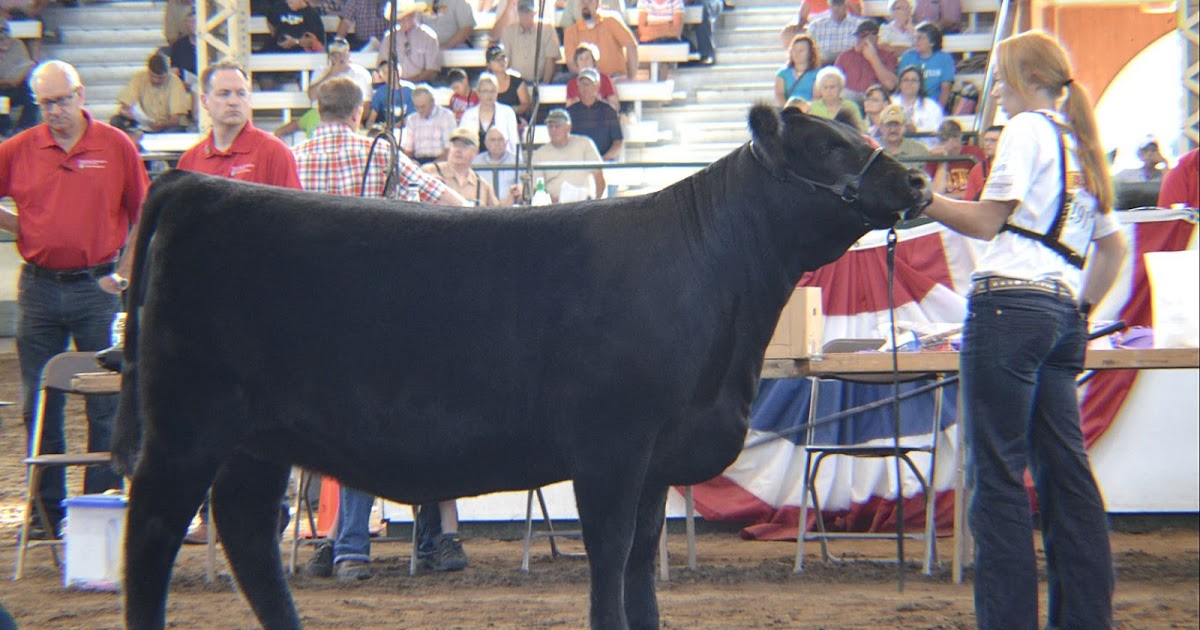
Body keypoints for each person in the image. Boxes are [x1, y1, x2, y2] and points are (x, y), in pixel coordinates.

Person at [920, 30, 1127, 630]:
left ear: (1029, 80)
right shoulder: (1080, 142)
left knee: (999, 477)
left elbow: (986, 223)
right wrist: (1078, 315)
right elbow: (1111, 253)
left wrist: (920, 198)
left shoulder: (1027, 130)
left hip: (1008, 308)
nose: (999, 94)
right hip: (1060, 313)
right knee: (1068, 476)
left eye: (1004, 81)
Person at [293, 77, 469, 580]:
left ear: (317, 109)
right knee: (390, 418)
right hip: (379, 312)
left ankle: (340, 543)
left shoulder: (295, 158)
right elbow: (454, 206)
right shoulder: (382, 153)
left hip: (313, 320)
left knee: (340, 427)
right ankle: (360, 544)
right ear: (360, 111)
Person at [0, 60, 148, 540]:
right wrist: (27, 229)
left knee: (105, 402)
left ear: (81, 95)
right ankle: (45, 515)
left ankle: (98, 509)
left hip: (97, 286)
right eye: (45, 103)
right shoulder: (20, 149)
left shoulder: (115, 145)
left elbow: (143, 213)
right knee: (39, 401)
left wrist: (123, 275)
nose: (55, 111)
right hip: (39, 287)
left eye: (62, 100)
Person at [176, 59, 302, 543]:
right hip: (210, 311)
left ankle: (274, 508)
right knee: (214, 408)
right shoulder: (191, 162)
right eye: (224, 93)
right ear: (204, 101)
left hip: (261, 308)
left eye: (241, 93)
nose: (234, 101)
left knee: (268, 407)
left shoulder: (271, 153)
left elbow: (293, 229)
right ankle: (214, 510)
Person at [532, 107, 604, 201]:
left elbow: (598, 175)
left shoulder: (584, 143)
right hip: (555, 207)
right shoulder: (539, 154)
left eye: (557, 126)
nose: (553, 130)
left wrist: (597, 202)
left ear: (568, 127)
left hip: (585, 203)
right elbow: (537, 188)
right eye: (550, 126)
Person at [422, 126, 503, 206]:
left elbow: (497, 215)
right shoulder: (428, 172)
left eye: (464, 146)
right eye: (455, 145)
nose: (458, 150)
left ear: (476, 152)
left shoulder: (483, 185)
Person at [112, 52, 191, 133]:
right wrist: (130, 114)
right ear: (148, 71)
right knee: (117, 121)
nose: (156, 80)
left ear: (167, 73)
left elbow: (176, 119)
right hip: (144, 124)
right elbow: (125, 107)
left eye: (160, 78)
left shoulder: (175, 82)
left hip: (167, 126)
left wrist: (163, 124)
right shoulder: (140, 78)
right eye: (153, 76)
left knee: (176, 130)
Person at [562, 0, 638, 80]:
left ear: (597, 4)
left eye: (590, 2)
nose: (585, 5)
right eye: (582, 2)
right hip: (587, 81)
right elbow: (571, 64)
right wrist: (589, 79)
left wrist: (630, 77)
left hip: (614, 78)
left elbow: (631, 46)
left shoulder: (611, 21)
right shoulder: (571, 32)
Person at [377, 0, 441, 83]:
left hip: (421, 85)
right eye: (400, 17)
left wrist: (408, 83)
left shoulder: (428, 36)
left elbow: (432, 70)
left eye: (407, 15)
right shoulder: (389, 37)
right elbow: (382, 63)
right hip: (394, 86)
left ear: (413, 14)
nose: (403, 20)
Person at [499, 0, 560, 86]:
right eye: (522, 11)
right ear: (518, 12)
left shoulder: (547, 30)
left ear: (535, 12)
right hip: (515, 83)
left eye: (528, 11)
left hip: (540, 81)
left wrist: (545, 83)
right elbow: (506, 60)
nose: (525, 15)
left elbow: (551, 59)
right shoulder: (508, 32)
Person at [566, 67, 621, 160]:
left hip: (605, 162)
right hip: (577, 163)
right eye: (582, 84)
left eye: (589, 84)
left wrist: (603, 160)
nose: (585, 87)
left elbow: (617, 142)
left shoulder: (609, 111)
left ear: (597, 86)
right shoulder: (570, 113)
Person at [897, 21, 954, 110]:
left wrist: (937, 110)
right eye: (916, 38)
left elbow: (945, 89)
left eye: (921, 38)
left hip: (934, 104)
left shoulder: (944, 58)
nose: (917, 41)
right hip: (909, 104)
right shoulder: (908, 57)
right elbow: (901, 84)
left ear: (932, 42)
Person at [835, 19, 898, 98]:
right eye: (859, 36)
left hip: (875, 98)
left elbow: (890, 84)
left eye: (864, 36)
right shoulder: (844, 56)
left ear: (875, 37)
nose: (860, 40)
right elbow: (834, 83)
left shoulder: (887, 56)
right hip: (850, 99)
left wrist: (873, 58)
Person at [460, 72, 520, 153]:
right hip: (475, 162)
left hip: (502, 163)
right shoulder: (468, 115)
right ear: (478, 92)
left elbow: (514, 142)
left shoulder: (507, 112)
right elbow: (463, 143)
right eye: (485, 91)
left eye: (493, 91)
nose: (489, 95)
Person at [0, 17, 39, 137]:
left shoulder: (17, 45)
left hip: (15, 85)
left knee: (33, 94)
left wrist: (15, 80)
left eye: (4, 30)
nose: (3, 35)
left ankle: (25, 127)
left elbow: (25, 67)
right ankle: (4, 129)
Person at [927, 118, 984, 198]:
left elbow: (979, 191)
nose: (942, 145)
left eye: (945, 140)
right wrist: (942, 163)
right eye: (941, 140)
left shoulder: (973, 153)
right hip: (944, 206)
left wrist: (949, 198)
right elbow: (936, 193)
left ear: (958, 138)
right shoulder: (933, 158)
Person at [401, 83, 456, 163]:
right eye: (417, 107)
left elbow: (449, 150)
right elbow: (409, 150)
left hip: (440, 161)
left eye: (423, 106)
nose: (420, 110)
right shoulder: (412, 119)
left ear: (432, 102)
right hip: (418, 162)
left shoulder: (446, 116)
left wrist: (431, 166)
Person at [308, 37, 374, 103]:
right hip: (322, 112)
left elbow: (366, 104)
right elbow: (312, 96)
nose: (339, 58)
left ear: (348, 55)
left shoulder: (360, 73)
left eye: (342, 54)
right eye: (335, 55)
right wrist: (332, 74)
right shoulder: (321, 71)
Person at [890, 64, 941, 145]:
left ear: (920, 84)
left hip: (924, 151)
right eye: (905, 80)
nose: (909, 83)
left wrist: (916, 131)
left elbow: (936, 136)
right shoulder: (890, 103)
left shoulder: (932, 107)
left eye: (914, 80)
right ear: (899, 83)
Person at [472, 125, 521, 204]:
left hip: (510, 208)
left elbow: (522, 190)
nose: (497, 143)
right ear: (486, 143)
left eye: (501, 140)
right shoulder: (476, 162)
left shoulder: (517, 161)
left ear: (506, 143)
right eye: (493, 140)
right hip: (483, 207)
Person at [804, 0, 861, 66]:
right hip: (822, 66)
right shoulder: (816, 26)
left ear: (846, 5)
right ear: (829, 5)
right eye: (834, 4)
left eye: (839, 4)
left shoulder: (858, 26)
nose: (836, 7)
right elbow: (807, 49)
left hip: (850, 65)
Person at [565, 43, 619, 111]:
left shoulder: (605, 79)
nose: (584, 62)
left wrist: (601, 102)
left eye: (587, 58)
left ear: (594, 61)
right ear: (577, 63)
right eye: (580, 59)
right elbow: (569, 110)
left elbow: (615, 106)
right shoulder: (572, 84)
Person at [808, 66, 863, 131]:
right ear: (820, 89)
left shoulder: (851, 107)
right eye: (825, 87)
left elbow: (859, 131)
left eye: (832, 87)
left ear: (840, 87)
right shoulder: (812, 108)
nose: (828, 91)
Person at [779, 0, 862, 44]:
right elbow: (802, 18)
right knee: (788, 33)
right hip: (818, 32)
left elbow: (858, 17)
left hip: (843, 32)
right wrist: (795, 25)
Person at [366, 58, 416, 129]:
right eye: (386, 73)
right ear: (381, 76)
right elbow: (371, 119)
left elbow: (411, 118)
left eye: (394, 70)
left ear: (400, 71)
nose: (391, 74)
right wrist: (374, 127)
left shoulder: (410, 90)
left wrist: (393, 126)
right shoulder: (379, 93)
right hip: (385, 131)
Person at [485, 44, 531, 119]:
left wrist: (510, 110)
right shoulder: (485, 85)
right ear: (489, 65)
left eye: (503, 58)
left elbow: (526, 106)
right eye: (497, 60)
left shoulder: (517, 82)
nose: (501, 62)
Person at [262, 0, 326, 53]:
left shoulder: (312, 15)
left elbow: (313, 42)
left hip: (299, 53)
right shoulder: (278, 8)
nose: (288, 1)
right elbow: (270, 20)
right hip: (276, 50)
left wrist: (295, 42)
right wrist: (276, 35)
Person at [774, 33, 819, 106]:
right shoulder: (782, 74)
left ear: (810, 52)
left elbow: (816, 97)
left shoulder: (818, 74)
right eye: (794, 50)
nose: (796, 54)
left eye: (801, 50)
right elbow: (779, 94)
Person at [962, 123, 1001, 201]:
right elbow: (969, 200)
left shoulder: (1014, 166)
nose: (988, 144)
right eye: (986, 140)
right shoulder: (977, 169)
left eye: (993, 141)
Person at [167, 8, 199, 88]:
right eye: (191, 22)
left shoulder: (212, 44)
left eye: (196, 21)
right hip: (186, 87)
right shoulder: (178, 46)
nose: (194, 25)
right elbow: (174, 71)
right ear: (186, 24)